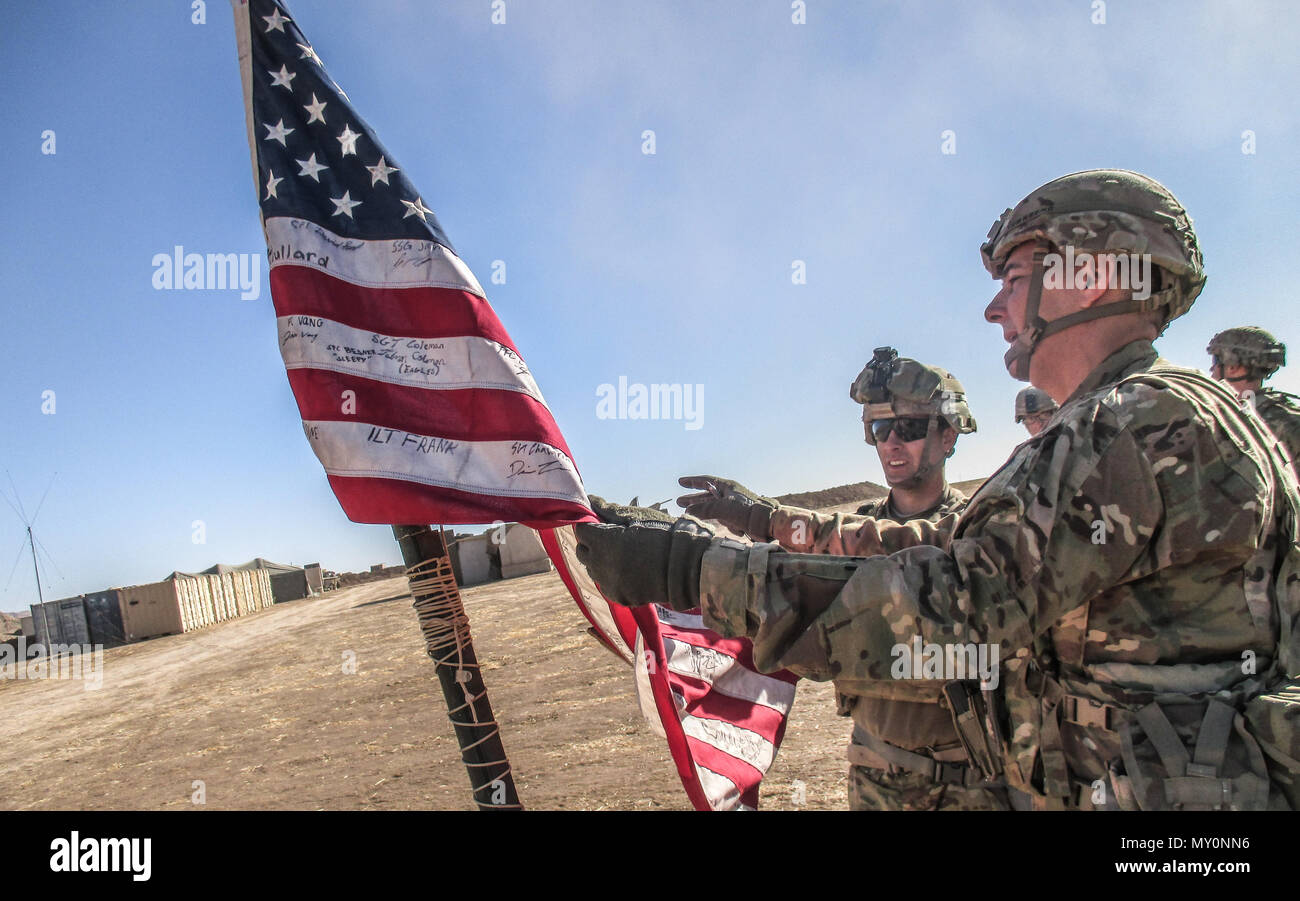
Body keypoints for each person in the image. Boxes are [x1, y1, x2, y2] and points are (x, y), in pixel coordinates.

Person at [576, 169, 1299, 810]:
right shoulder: (1148, 416)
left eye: (1013, 281)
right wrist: (738, 531)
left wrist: (693, 574)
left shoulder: (1137, 422)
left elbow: (951, 602)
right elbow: (941, 548)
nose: (995, 310)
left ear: (1096, 276)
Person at [675, 351, 992, 810]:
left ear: (949, 435)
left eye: (910, 428)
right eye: (881, 430)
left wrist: (764, 516)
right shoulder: (852, 528)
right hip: (873, 769)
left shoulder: (975, 526)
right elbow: (786, 581)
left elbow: (896, 550)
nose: (892, 444)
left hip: (970, 780)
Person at [1207, 327, 1300, 477]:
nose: (1212, 368)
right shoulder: (1287, 416)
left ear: (1232, 367)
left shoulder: (1234, 420)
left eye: (1216, 360)